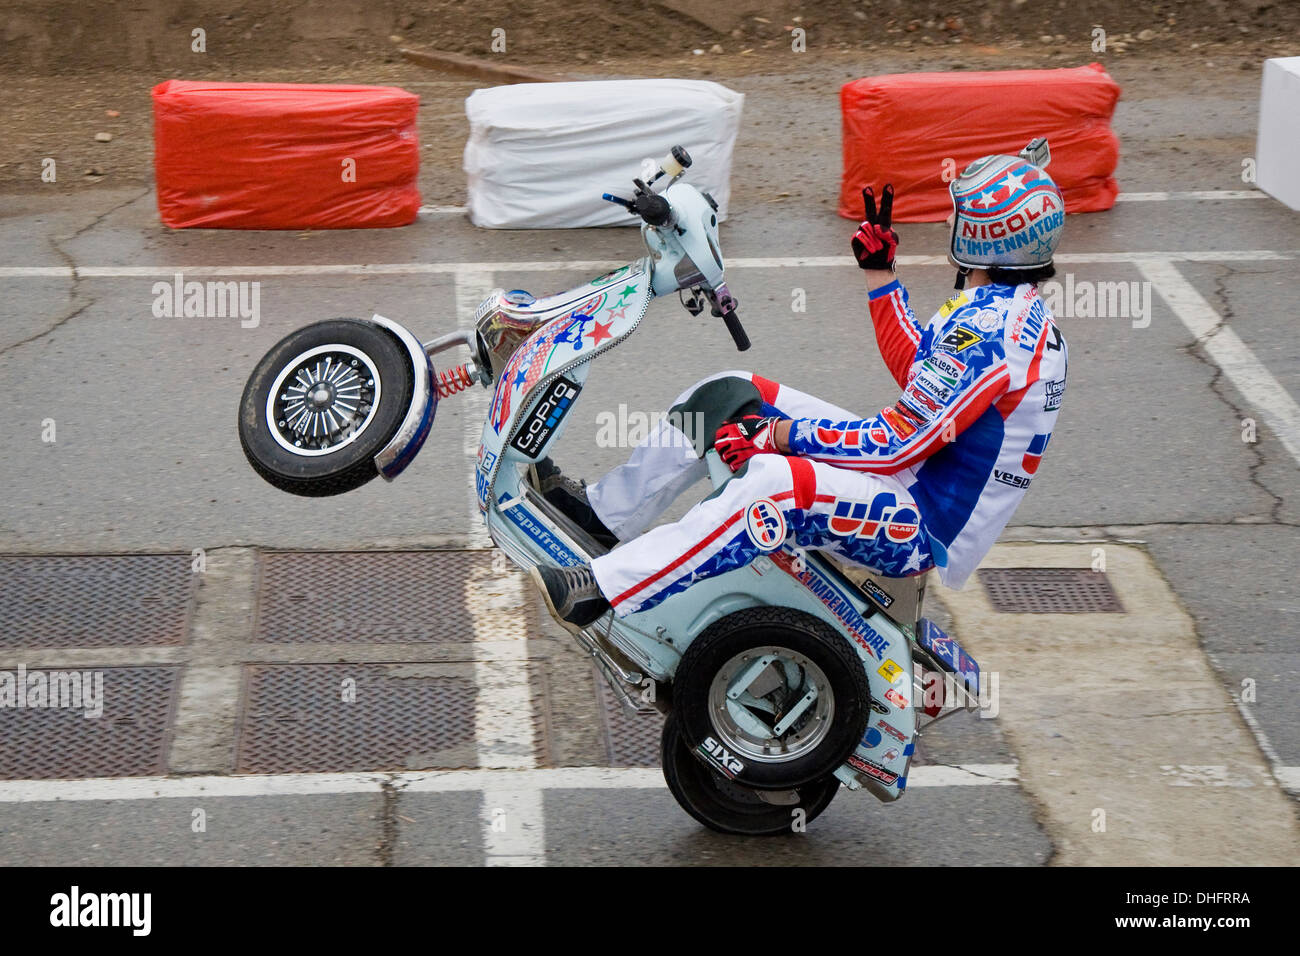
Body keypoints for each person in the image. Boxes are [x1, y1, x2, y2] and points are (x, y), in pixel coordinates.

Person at [531, 141, 1069, 630]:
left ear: (985, 235)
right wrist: (881, 274)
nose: (950, 222)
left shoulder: (994, 332)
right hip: (908, 472)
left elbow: (895, 443)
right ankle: (605, 515)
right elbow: (920, 375)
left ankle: (603, 588)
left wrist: (778, 437)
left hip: (919, 522)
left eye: (959, 216)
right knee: (732, 391)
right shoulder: (1005, 313)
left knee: (771, 484)